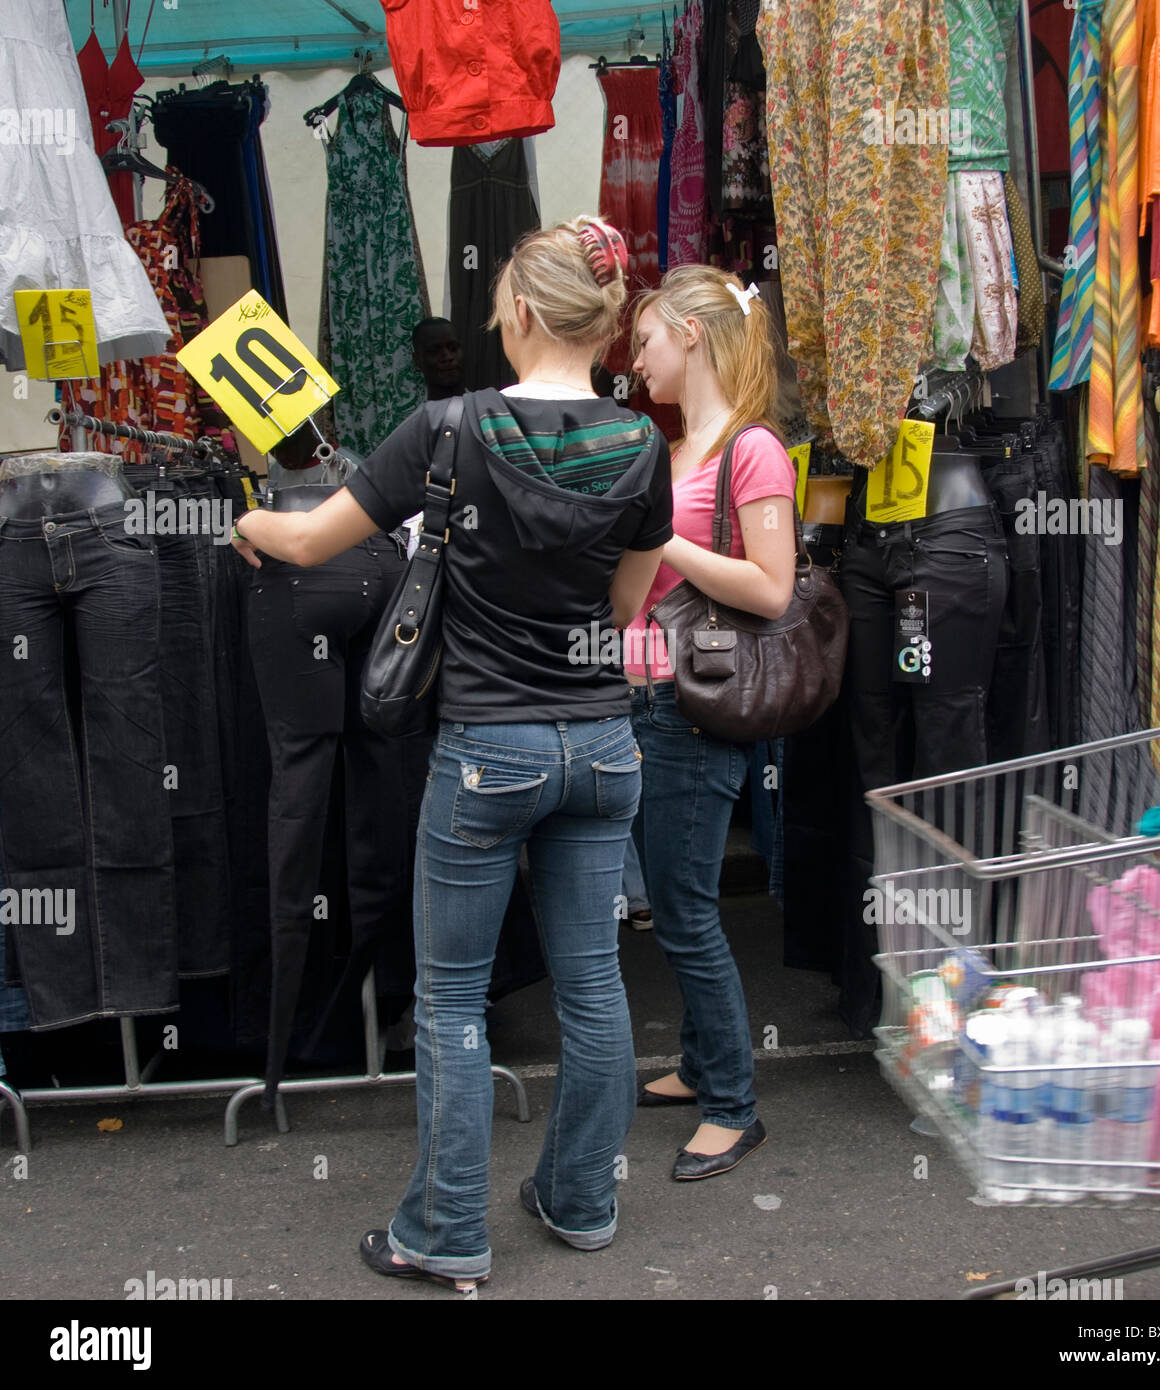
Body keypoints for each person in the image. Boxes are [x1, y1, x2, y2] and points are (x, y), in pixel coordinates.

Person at [231, 216, 673, 1290]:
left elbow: (302, 540)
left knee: (451, 998)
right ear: (605, 318)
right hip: (601, 746)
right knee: (594, 989)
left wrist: (244, 524)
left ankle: (442, 1230)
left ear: (518, 312)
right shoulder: (640, 443)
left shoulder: (447, 429)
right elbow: (623, 605)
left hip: (488, 750)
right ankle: (579, 1202)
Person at [624, 266, 796, 1180]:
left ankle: (734, 1102)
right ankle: (700, 1068)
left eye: (646, 338)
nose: (636, 357)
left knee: (685, 908)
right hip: (655, 696)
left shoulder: (751, 448)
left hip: (698, 705)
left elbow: (771, 588)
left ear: (691, 335)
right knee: (677, 891)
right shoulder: (677, 448)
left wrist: (660, 539)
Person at [412, 316, 466, 399]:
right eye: (434, 351)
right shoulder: (422, 412)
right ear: (417, 360)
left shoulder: (488, 405)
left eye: (453, 348)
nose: (448, 357)